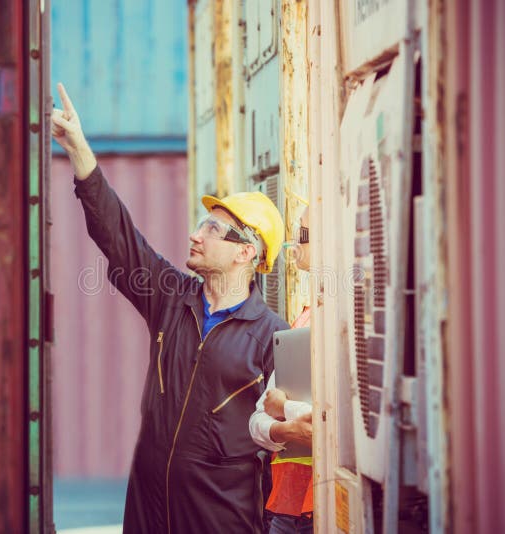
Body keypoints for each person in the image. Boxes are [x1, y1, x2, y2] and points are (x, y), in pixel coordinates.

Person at [51, 82, 289, 534]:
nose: (197, 234)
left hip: (219, 523)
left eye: (214, 229)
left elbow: (288, 451)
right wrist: (80, 152)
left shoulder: (270, 338)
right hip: (147, 513)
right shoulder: (171, 298)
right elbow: (120, 240)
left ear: (246, 253)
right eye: (202, 224)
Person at [249, 206, 314, 533]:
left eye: (302, 234)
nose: (294, 244)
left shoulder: (353, 323)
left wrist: (284, 408)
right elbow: (258, 419)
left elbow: (328, 423)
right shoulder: (305, 319)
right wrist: (285, 429)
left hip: (319, 504)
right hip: (288, 503)